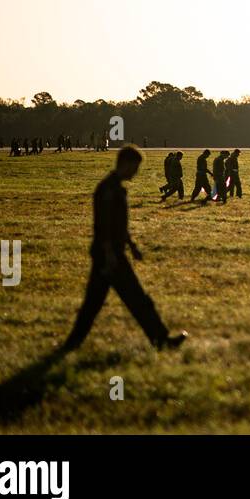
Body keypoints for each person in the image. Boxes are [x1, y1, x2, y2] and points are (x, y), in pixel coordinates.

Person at [62, 146, 187, 352]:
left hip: (109, 254)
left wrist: (132, 246)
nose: (136, 172)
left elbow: (118, 224)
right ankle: (161, 340)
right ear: (126, 163)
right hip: (110, 256)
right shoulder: (108, 190)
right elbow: (102, 226)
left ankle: (71, 345)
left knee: (93, 305)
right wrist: (111, 253)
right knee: (138, 300)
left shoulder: (114, 187)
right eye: (135, 167)